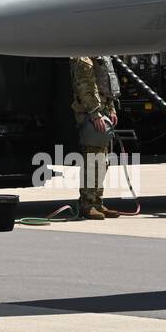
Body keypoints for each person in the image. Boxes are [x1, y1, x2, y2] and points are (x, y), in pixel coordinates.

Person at [70, 55, 120, 220]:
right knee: (93, 160)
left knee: (102, 161)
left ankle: (97, 202)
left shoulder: (100, 56)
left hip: (102, 111)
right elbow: (86, 88)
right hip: (92, 114)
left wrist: (111, 108)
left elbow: (106, 85)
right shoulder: (83, 58)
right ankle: (87, 203)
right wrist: (95, 113)